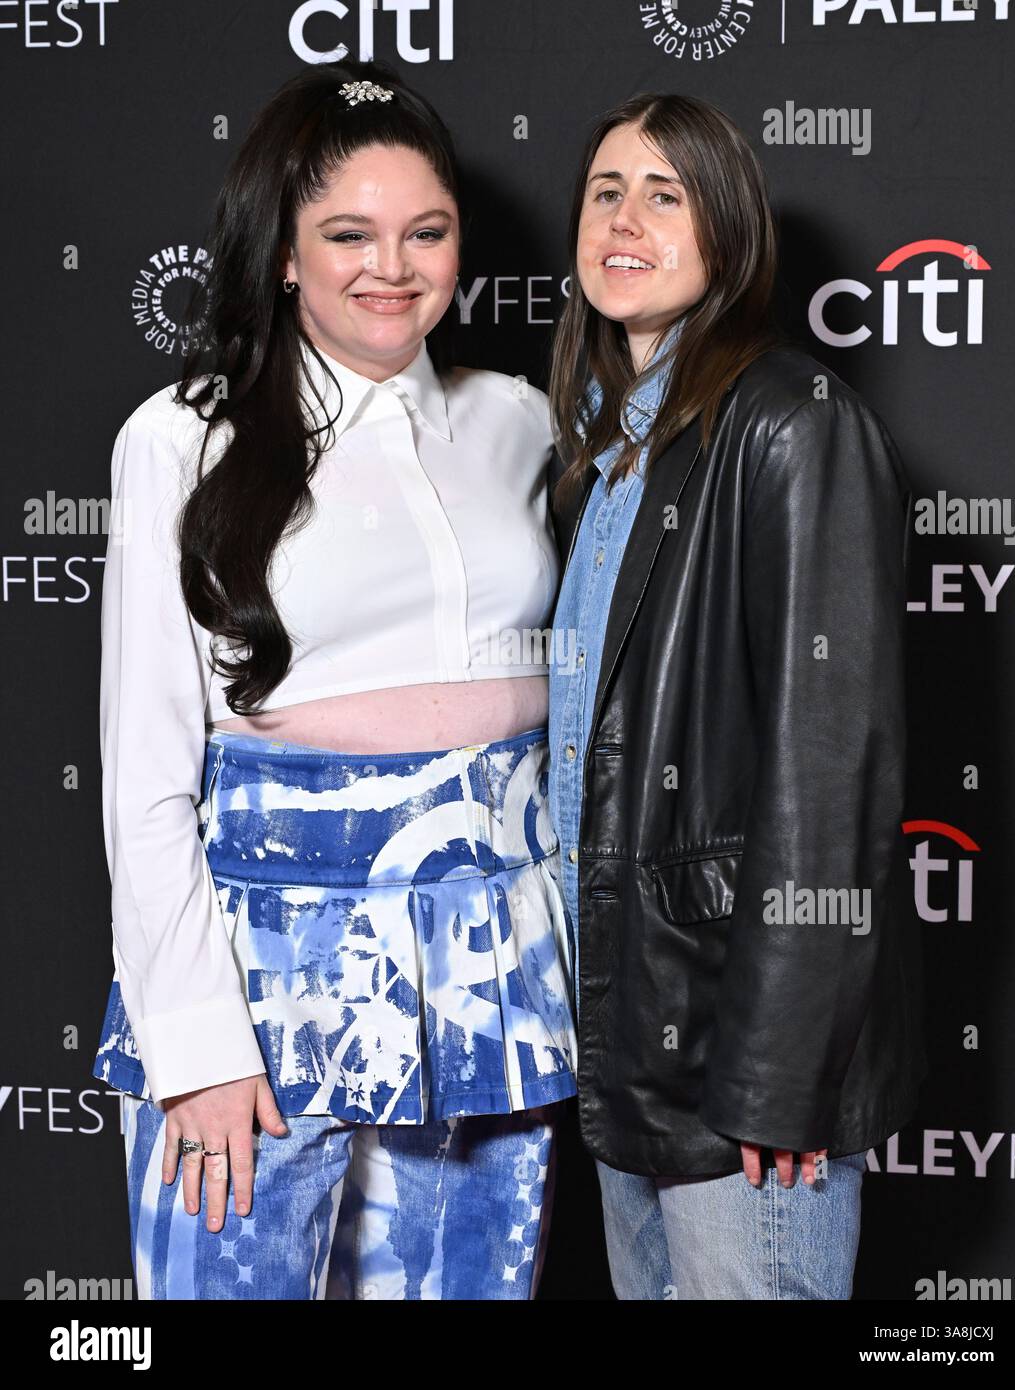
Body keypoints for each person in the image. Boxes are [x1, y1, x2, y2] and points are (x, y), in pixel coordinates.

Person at [91, 58, 577, 1301]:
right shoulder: (180, 436)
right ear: (285, 252)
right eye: (348, 234)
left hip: (490, 973)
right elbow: (148, 776)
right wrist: (195, 1046)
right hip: (264, 975)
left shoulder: (520, 420)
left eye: (427, 232)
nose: (392, 267)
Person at [546, 92, 928, 1300]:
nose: (626, 216)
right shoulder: (606, 458)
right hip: (624, 1036)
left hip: (735, 1062)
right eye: (607, 191)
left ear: (729, 234)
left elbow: (835, 763)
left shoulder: (789, 424)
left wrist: (780, 1072)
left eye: (667, 194)